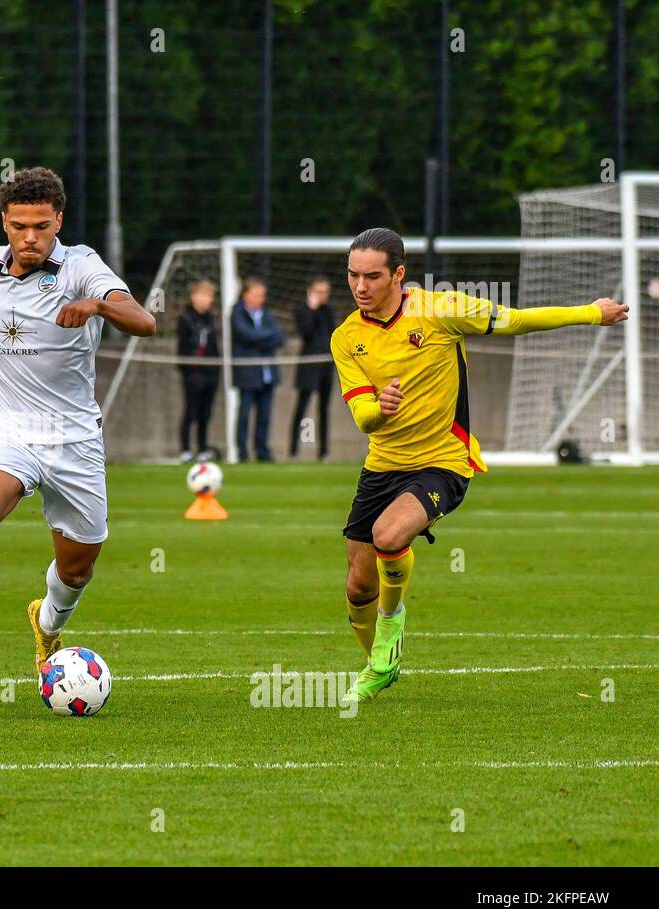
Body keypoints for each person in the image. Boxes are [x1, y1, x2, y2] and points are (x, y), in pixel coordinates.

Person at [333, 227, 629, 703]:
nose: (360, 286)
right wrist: (380, 408)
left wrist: (590, 314)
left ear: (399, 275)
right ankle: (379, 664)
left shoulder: (441, 310)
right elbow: (363, 418)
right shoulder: (346, 338)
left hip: (443, 461)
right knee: (357, 586)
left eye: (372, 276)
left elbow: (516, 321)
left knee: (390, 535)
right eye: (352, 275)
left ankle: (391, 625)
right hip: (382, 464)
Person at [0, 167, 155, 686]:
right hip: (7, 428)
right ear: (5, 222)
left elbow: (144, 321)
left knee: (78, 565)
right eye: (20, 226)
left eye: (41, 225)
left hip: (73, 438)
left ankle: (46, 622)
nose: (30, 237)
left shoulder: (82, 266)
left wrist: (96, 304)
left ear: (58, 220)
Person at [230, 277, 285, 461]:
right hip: (247, 374)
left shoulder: (267, 314)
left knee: (264, 416)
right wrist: (264, 339)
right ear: (245, 295)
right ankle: (242, 454)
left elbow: (279, 337)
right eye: (256, 294)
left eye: (262, 295)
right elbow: (248, 336)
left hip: (267, 374)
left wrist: (260, 339)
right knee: (244, 416)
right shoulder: (236, 314)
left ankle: (262, 452)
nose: (260, 298)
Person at [289, 276, 336, 460]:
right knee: (301, 407)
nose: (323, 295)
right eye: (319, 291)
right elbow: (305, 332)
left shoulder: (329, 311)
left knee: (324, 409)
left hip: (326, 366)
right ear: (310, 291)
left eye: (326, 292)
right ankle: (294, 451)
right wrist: (312, 309)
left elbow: (333, 334)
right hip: (309, 367)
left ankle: (324, 452)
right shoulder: (302, 310)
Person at [176, 279, 222, 463]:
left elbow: (214, 346)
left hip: (211, 372)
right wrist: (188, 369)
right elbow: (183, 347)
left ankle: (203, 448)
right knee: (190, 412)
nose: (208, 299)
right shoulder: (186, 319)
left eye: (211, 295)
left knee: (206, 413)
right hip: (193, 373)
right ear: (194, 296)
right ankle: (186, 449)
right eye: (205, 294)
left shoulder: (212, 319)